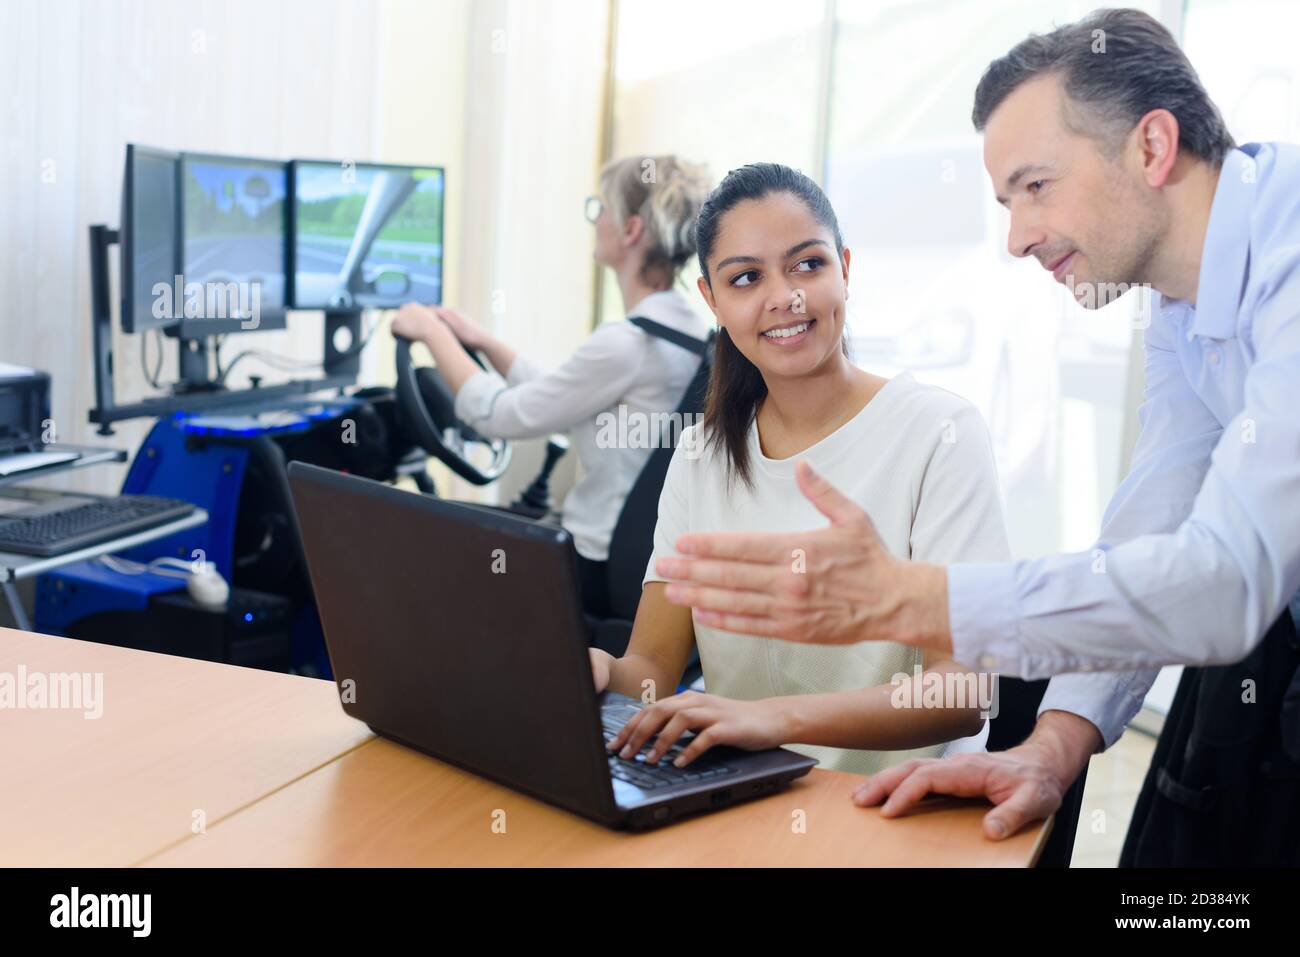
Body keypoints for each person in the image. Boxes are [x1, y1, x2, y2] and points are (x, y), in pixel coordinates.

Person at [654, 9, 1300, 865]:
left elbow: (1224, 582)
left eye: (1036, 187)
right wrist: (1053, 745)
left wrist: (917, 600)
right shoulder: (1182, 308)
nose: (1018, 236)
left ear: (1151, 148)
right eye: (1006, 201)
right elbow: (1149, 530)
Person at [592, 163, 1011, 776]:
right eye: (745, 278)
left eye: (808, 265)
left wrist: (777, 721)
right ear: (711, 300)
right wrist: (600, 670)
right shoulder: (701, 455)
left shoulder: (940, 434)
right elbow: (652, 670)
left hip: (890, 810)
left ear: (846, 268)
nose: (784, 297)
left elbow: (964, 693)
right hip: (740, 795)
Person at [391, 155, 712, 618]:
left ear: (632, 230)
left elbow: (500, 416)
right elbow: (569, 395)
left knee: (424, 557)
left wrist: (430, 332)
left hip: (592, 569)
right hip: (638, 561)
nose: (594, 219)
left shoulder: (627, 342)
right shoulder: (681, 331)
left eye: (599, 208)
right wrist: (482, 342)